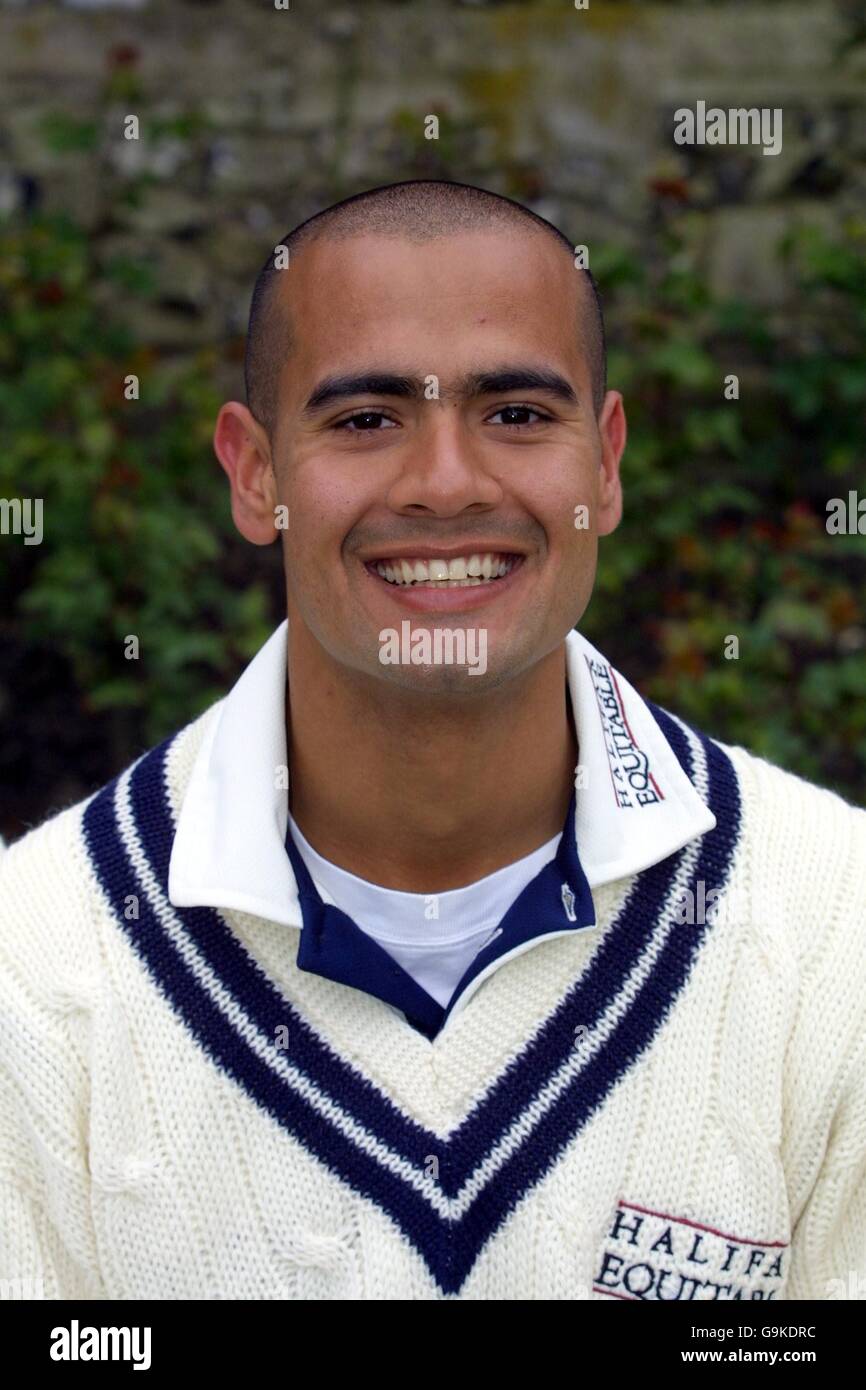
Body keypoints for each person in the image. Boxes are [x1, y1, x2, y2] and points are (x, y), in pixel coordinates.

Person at [1, 180, 864, 1302]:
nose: (446, 483)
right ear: (256, 473)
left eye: (514, 413)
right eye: (365, 420)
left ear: (603, 465)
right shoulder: (33, 967)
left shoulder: (832, 928)